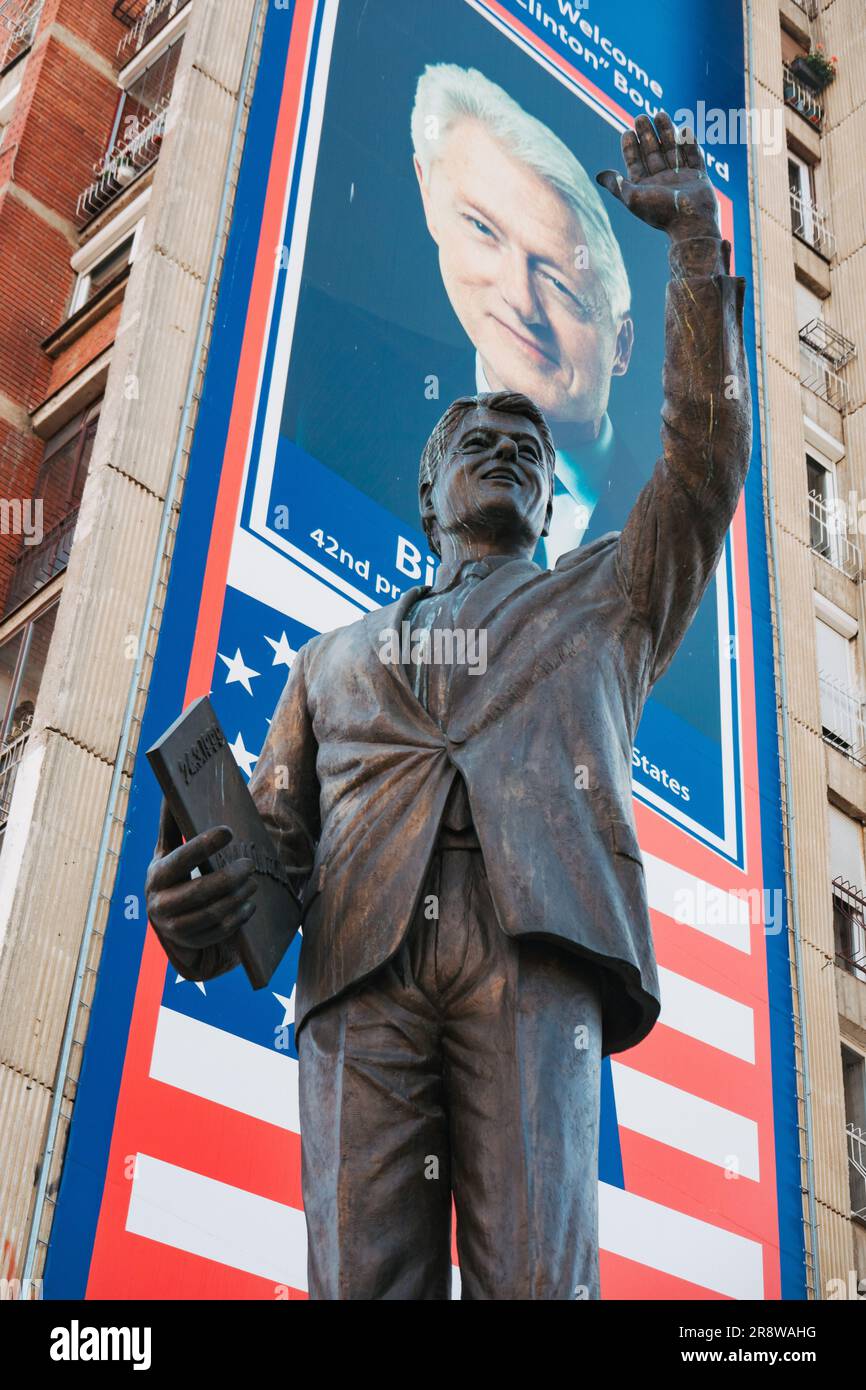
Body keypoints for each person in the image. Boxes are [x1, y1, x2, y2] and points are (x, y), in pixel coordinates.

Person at [146, 114, 751, 1299]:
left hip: (532, 951)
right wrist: (193, 903)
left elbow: (704, 454)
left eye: (526, 438)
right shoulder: (326, 662)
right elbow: (270, 850)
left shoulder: (608, 599)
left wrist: (692, 248)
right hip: (359, 964)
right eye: (475, 434)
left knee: (538, 1283)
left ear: (548, 494)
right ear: (428, 490)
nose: (505, 445)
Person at [412, 62, 635, 564]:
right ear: (427, 195)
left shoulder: (665, 526)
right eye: (483, 230)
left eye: (560, 284)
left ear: (621, 346)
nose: (521, 302)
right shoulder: (337, 397)